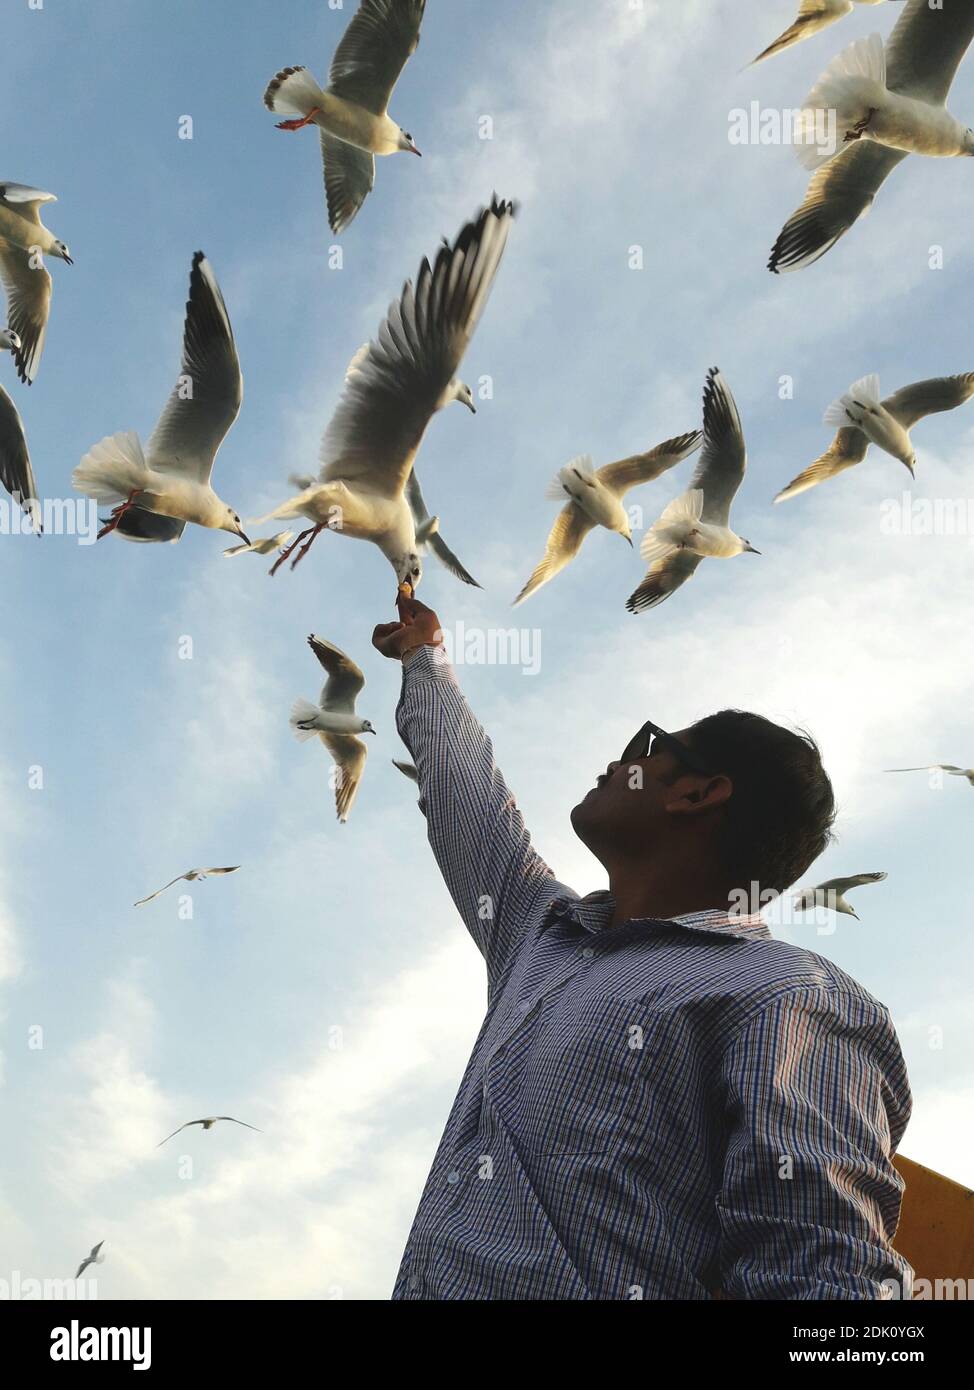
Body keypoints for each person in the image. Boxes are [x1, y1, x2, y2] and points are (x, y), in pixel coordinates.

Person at [372, 593, 913, 1301]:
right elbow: (463, 789)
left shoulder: (784, 997)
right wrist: (424, 657)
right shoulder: (541, 937)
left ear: (697, 795)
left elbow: (825, 1280)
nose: (616, 760)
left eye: (646, 748)